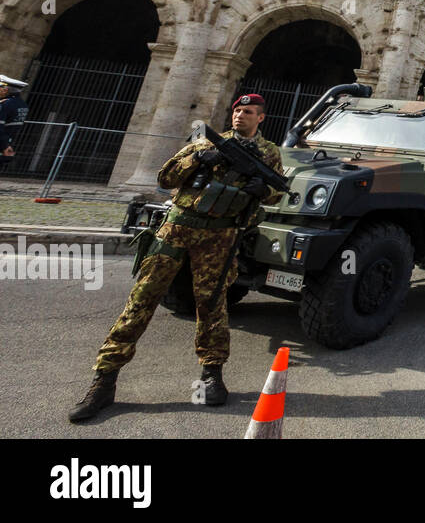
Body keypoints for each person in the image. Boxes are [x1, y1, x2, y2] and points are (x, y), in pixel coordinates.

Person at [68, 94, 285, 423]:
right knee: (142, 300)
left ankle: (212, 375)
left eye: (249, 112)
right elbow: (164, 178)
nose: (240, 116)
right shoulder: (206, 141)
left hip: (220, 235)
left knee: (212, 304)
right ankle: (104, 380)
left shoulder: (269, 152)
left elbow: (277, 190)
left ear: (261, 118)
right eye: (237, 110)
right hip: (179, 227)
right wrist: (198, 160)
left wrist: (262, 190)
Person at [0, 74, 30, 168]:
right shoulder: (23, 105)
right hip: (7, 143)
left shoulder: (4, 105)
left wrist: (4, 146)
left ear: (5, 90)